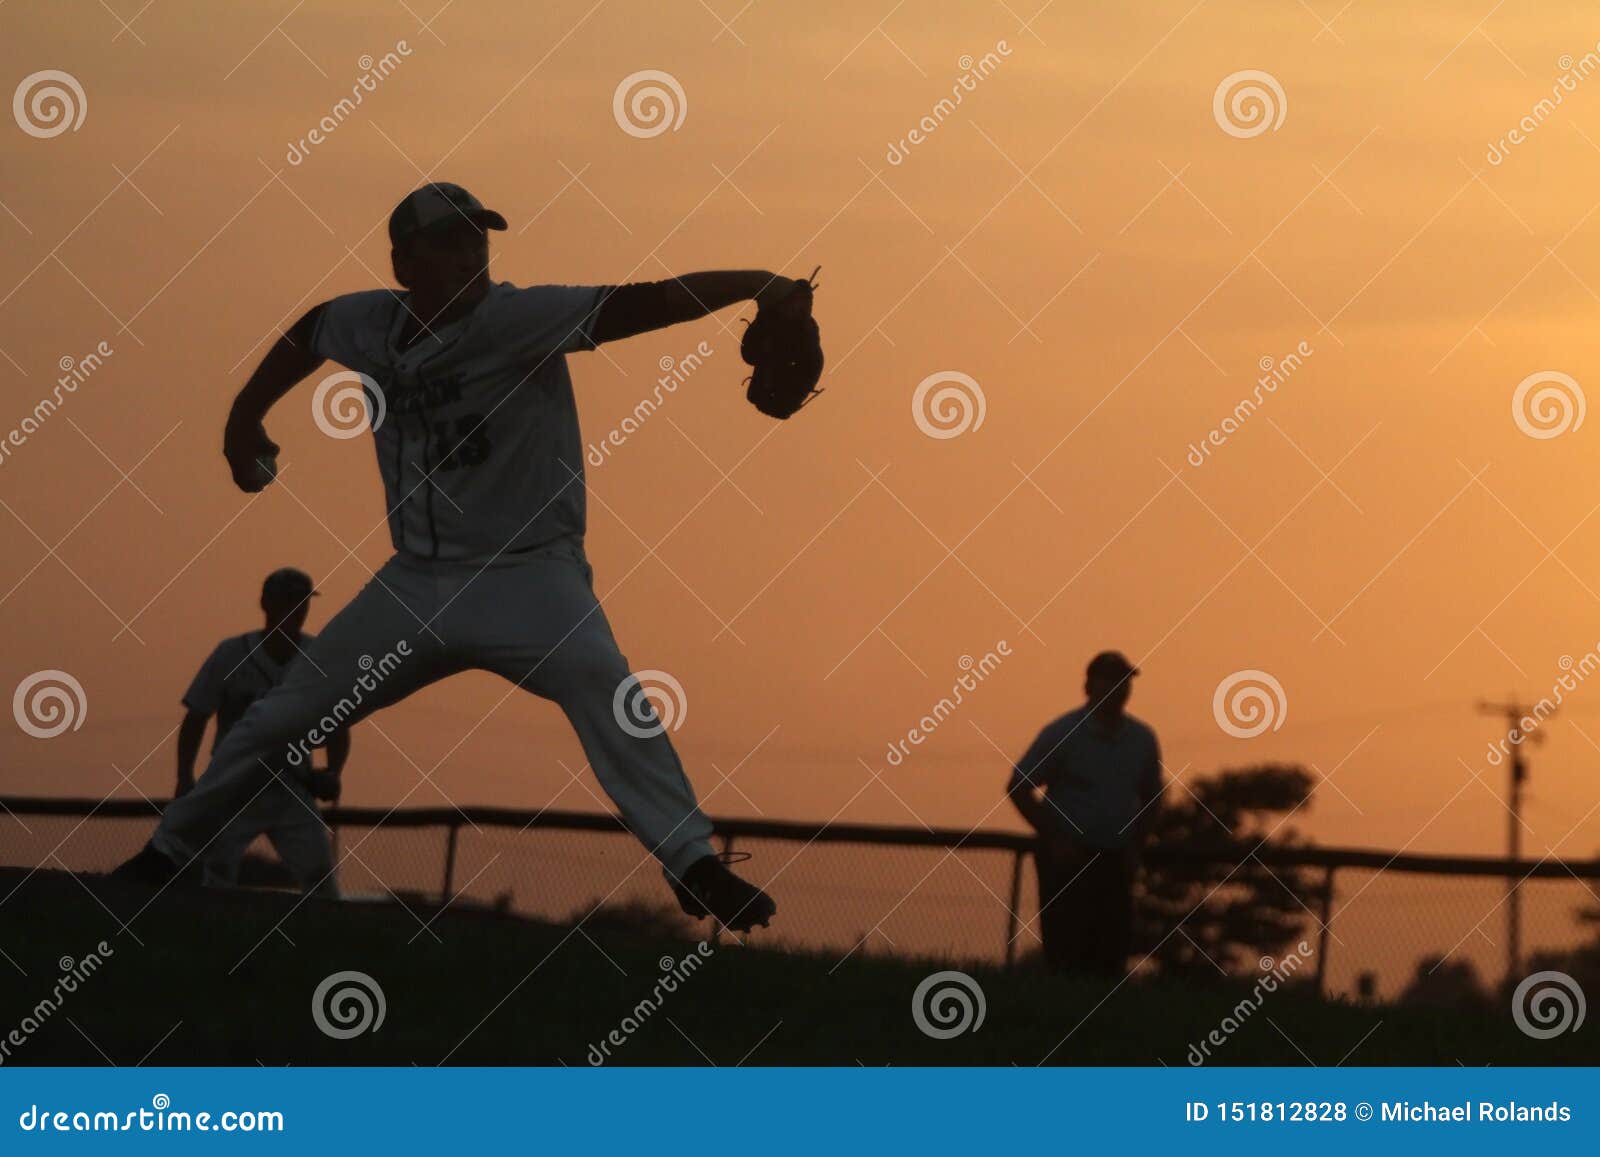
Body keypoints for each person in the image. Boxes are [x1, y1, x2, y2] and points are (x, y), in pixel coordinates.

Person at [117, 182, 785, 931]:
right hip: (415, 581)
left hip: (530, 574)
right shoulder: (369, 320)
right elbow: (312, 330)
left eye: (478, 237)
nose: (473, 252)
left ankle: (692, 861)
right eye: (452, 240)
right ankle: (167, 854)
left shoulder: (517, 317)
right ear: (405, 260)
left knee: (606, 686)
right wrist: (245, 413)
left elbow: (647, 302)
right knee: (281, 716)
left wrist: (758, 286)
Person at [175, 567, 347, 897]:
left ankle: (324, 946)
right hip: (233, 784)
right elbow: (196, 716)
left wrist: (335, 771)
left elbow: (339, 722)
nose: (295, 610)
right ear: (265, 603)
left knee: (322, 882)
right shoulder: (232, 653)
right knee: (214, 878)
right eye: (287, 601)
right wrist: (184, 776)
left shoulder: (318, 656)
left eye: (301, 602)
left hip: (291, 784)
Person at [1006, 650, 1163, 976]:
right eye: (1111, 680)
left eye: (1124, 681)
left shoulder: (1142, 739)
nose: (1119, 689)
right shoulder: (1062, 733)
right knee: (1066, 952)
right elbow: (1018, 786)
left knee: (1110, 955)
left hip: (1114, 860)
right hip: (1067, 862)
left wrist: (1136, 846)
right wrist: (1056, 839)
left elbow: (1153, 796)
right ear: (1089, 686)